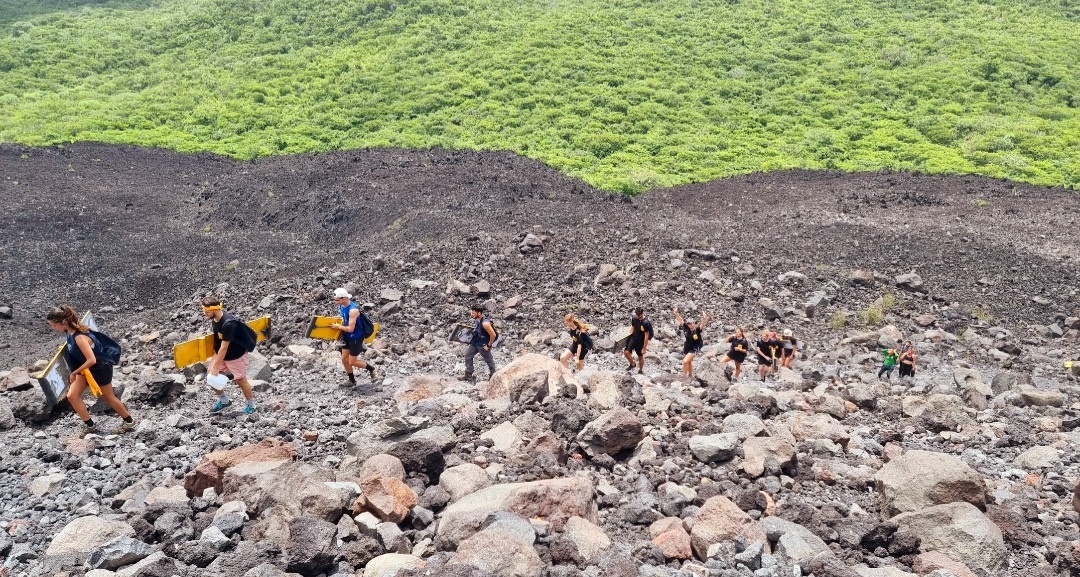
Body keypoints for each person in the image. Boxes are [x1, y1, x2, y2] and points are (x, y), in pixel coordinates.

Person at [46, 305, 136, 436]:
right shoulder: (70, 330)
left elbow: (92, 360)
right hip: (86, 369)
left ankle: (129, 421)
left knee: (108, 397)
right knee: (72, 395)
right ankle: (89, 425)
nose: (53, 328)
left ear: (63, 322)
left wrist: (74, 372)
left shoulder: (79, 337)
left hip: (100, 368)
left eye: (54, 325)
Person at [202, 296, 257, 414]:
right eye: (204, 311)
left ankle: (252, 406)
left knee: (241, 380)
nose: (204, 314)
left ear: (215, 310)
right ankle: (224, 400)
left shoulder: (228, 324)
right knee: (211, 378)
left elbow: (224, 346)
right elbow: (219, 341)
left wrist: (216, 366)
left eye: (207, 312)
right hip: (222, 354)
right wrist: (215, 358)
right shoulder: (215, 320)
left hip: (235, 355)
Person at [330, 288, 377, 386]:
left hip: (356, 337)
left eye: (337, 300)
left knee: (352, 361)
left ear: (344, 298)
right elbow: (345, 320)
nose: (336, 302)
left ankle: (371, 369)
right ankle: (351, 380)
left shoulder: (353, 310)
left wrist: (338, 327)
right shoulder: (342, 306)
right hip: (346, 336)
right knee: (344, 360)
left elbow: (351, 329)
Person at [461, 304, 497, 381]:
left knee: (489, 360)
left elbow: (493, 335)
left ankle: (493, 376)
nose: (471, 314)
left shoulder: (485, 323)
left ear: (479, 313)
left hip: (483, 345)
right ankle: (468, 374)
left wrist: (488, 345)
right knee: (468, 356)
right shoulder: (478, 319)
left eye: (473, 313)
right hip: (476, 341)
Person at [674, 306, 709, 377]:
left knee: (685, 361)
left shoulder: (697, 330)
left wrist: (704, 319)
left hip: (694, 348)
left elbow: (702, 325)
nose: (689, 324)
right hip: (687, 346)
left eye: (691, 323)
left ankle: (684, 376)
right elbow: (681, 320)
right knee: (689, 362)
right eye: (688, 323)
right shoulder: (687, 328)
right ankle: (690, 375)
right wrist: (676, 313)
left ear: (694, 323)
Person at [623, 307, 653, 374]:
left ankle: (640, 370)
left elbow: (646, 335)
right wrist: (628, 336)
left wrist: (644, 348)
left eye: (639, 314)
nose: (638, 316)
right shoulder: (634, 318)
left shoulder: (646, 323)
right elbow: (633, 327)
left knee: (640, 356)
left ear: (642, 313)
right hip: (633, 338)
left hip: (640, 341)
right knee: (626, 352)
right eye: (637, 314)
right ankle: (633, 364)